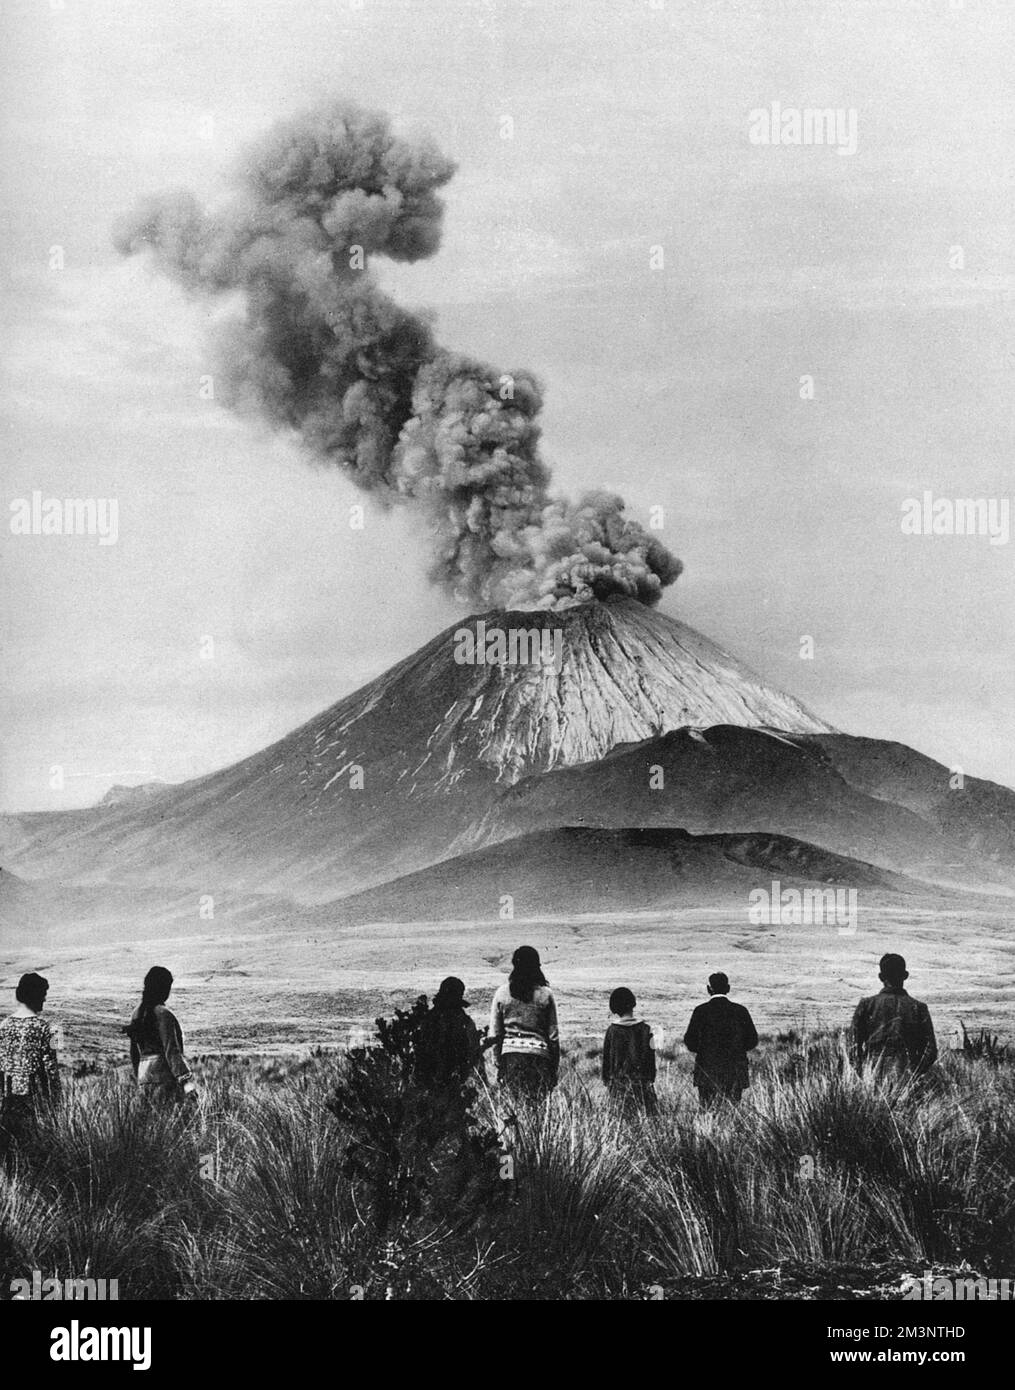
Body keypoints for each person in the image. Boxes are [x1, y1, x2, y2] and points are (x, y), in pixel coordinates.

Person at [489, 946, 559, 1102]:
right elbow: (553, 1037)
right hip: (539, 1059)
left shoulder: (502, 993)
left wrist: (498, 1062)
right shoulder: (546, 994)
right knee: (537, 1109)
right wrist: (553, 1068)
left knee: (513, 1109)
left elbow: (495, 1034)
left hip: (511, 1059)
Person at [851, 953, 937, 1078]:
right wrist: (914, 1074)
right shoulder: (919, 1007)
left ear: (881, 977)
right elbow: (931, 1050)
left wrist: (864, 1074)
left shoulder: (866, 1005)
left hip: (872, 1076)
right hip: (906, 1077)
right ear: (905, 975)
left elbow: (853, 1046)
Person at [683, 972, 758, 1107]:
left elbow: (690, 1041)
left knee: (708, 1109)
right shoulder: (740, 1011)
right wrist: (736, 1049)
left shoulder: (700, 1011)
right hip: (735, 1069)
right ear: (728, 988)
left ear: (708, 989)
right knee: (733, 1110)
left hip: (707, 1069)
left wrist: (706, 1051)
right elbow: (752, 1040)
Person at [124, 967, 197, 1102]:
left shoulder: (137, 1013)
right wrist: (188, 1085)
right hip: (166, 1079)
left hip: (143, 1079)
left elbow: (134, 1052)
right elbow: (172, 1052)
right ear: (163, 988)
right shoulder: (164, 1014)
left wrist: (139, 1077)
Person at [0, 973, 61, 1123]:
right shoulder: (48, 1029)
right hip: (35, 1104)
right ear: (34, 995)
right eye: (43, 994)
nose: (45, 999)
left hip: (7, 1101)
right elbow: (51, 1069)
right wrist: (57, 1102)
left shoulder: (3, 1026)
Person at [415, 977, 482, 1091]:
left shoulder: (429, 1018)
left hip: (429, 1078)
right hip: (456, 1080)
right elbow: (473, 1050)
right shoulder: (465, 1021)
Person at [602, 987, 657, 1115]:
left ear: (614, 1007)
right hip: (643, 1086)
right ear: (633, 1003)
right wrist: (649, 1079)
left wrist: (608, 1083)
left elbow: (607, 1062)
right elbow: (651, 1060)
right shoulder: (646, 1029)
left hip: (619, 1088)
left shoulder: (612, 1031)